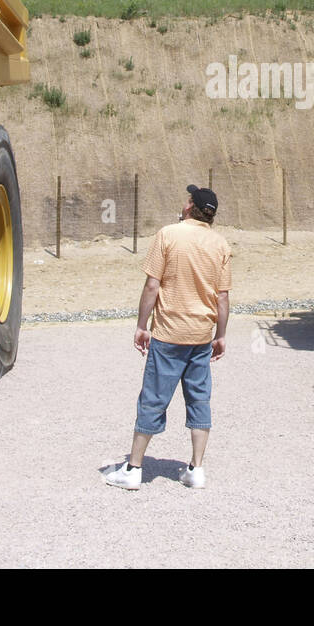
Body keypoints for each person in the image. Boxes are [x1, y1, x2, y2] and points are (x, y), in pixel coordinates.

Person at [105, 184, 231, 491]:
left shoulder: (168, 234)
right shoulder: (220, 244)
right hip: (201, 336)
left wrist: (141, 324)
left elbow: (152, 286)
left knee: (153, 398)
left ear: (190, 206)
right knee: (200, 399)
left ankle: (133, 468)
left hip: (169, 333)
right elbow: (223, 298)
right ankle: (196, 469)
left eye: (188, 199)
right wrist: (220, 335)